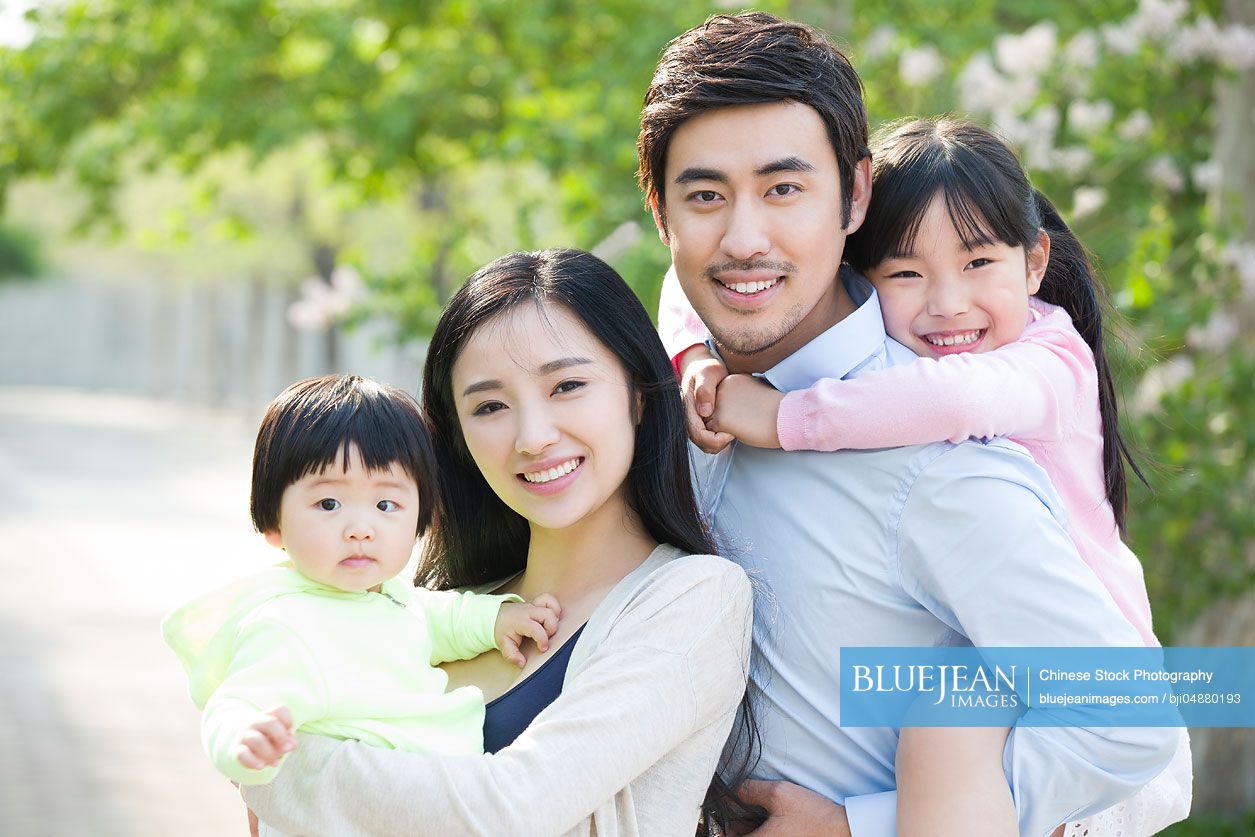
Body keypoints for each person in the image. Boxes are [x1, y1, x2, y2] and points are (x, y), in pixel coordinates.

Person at [637, 12, 1177, 837]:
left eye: (784, 189)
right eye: (705, 195)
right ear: (659, 208)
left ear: (853, 196)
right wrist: (691, 364)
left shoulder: (939, 460)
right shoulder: (653, 408)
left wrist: (864, 826)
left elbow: (1131, 728)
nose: (743, 238)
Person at [240, 249, 755, 836]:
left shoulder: (693, 600)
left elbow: (508, 814)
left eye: (567, 385)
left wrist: (266, 767)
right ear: (456, 438)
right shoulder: (434, 607)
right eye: (489, 406)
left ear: (637, 394)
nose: (533, 437)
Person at [162, 374, 563, 786]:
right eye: (328, 503)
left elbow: (438, 616)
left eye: (386, 504)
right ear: (274, 523)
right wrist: (247, 742)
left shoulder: (393, 597)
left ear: (421, 518)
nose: (360, 528)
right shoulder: (287, 625)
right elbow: (237, 702)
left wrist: (497, 620)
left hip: (450, 794)